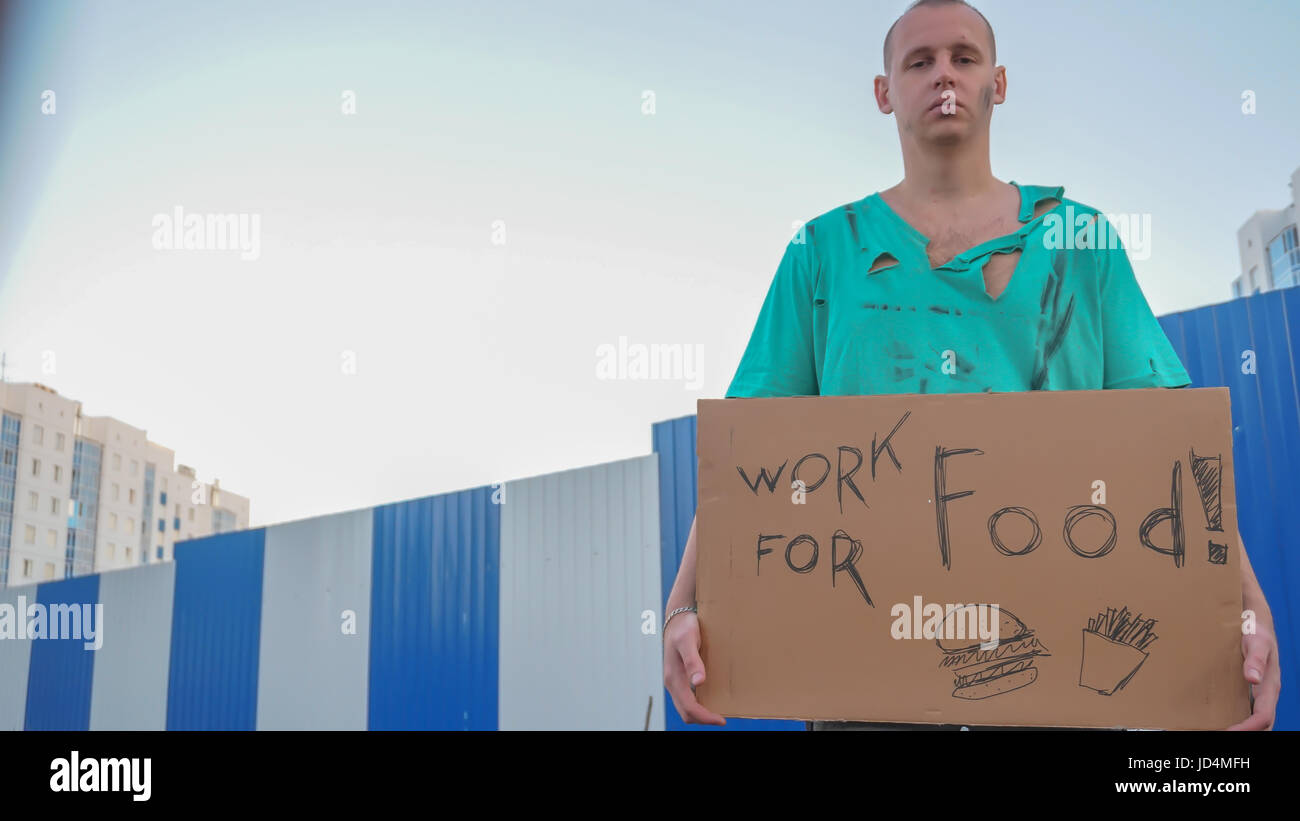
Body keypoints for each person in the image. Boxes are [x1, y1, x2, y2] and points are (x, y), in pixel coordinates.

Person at [662, 0, 1280, 731]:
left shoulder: (1079, 239)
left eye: (964, 57)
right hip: (870, 681)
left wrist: (1248, 610)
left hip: (1059, 686)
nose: (943, 75)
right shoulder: (824, 250)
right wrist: (682, 607)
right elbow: (748, 450)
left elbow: (1174, 452)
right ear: (884, 91)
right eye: (918, 62)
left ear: (1000, 83)